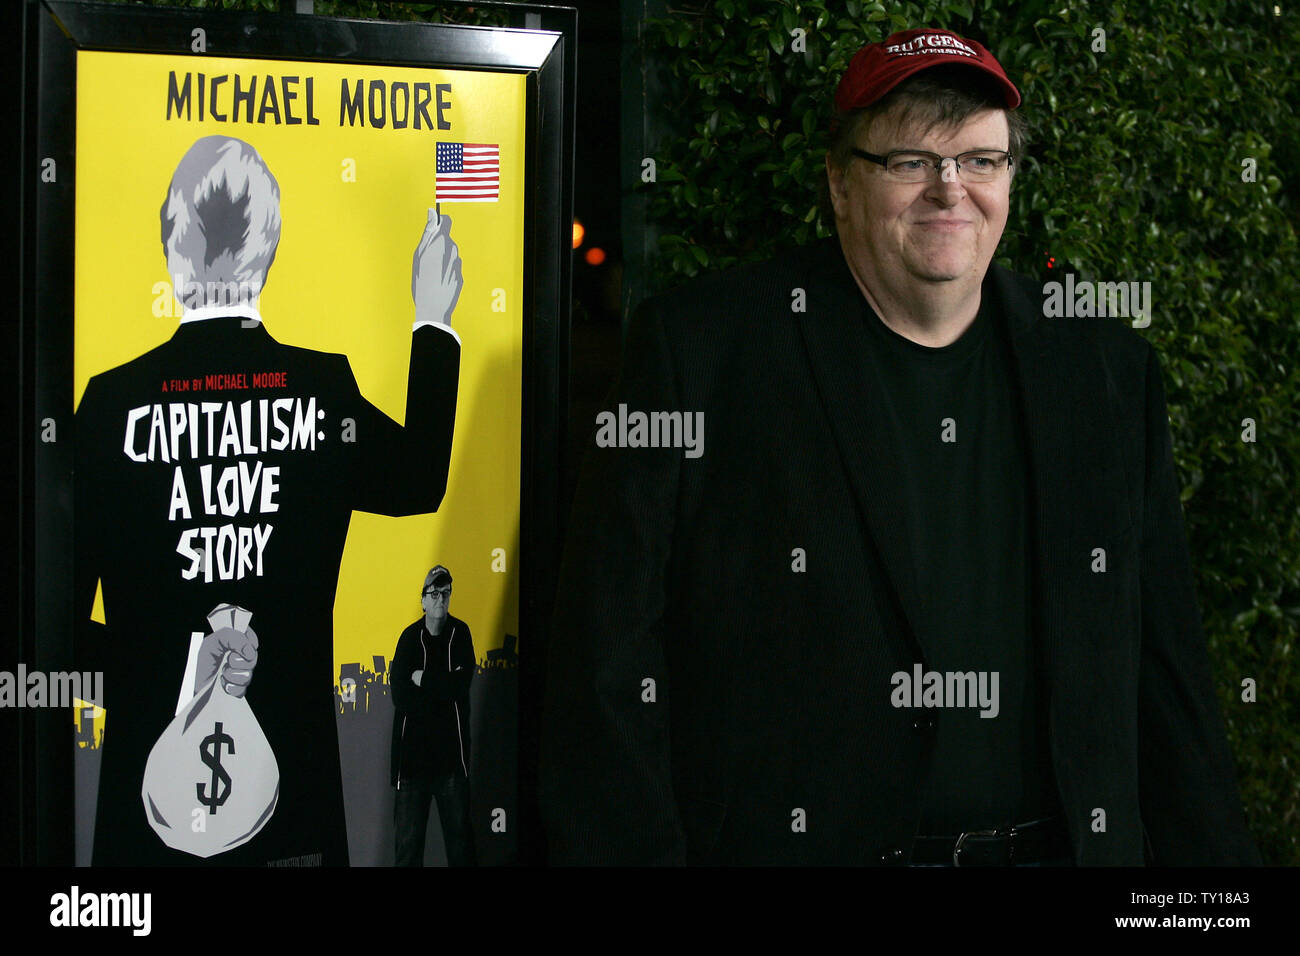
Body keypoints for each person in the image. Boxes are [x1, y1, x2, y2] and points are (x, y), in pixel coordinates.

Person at [540, 28, 1259, 866]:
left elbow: (1169, 681)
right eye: (912, 161)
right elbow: (604, 670)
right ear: (840, 183)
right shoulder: (703, 354)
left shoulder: (1103, 370)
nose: (951, 190)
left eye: (981, 161)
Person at [75, 135, 463, 865]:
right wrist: (433, 321)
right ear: (272, 247)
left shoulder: (109, 407)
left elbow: (47, 628)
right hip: (295, 824)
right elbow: (418, 481)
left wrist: (166, 670)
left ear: (169, 240)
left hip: (147, 832)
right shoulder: (321, 392)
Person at [390, 565, 477, 866]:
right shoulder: (408, 639)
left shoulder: (461, 633)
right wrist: (443, 688)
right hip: (412, 766)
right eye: (435, 593)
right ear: (423, 600)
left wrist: (422, 678)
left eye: (446, 592)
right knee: (408, 852)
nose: (441, 599)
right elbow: (399, 696)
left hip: (451, 763)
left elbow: (461, 685)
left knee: (461, 850)